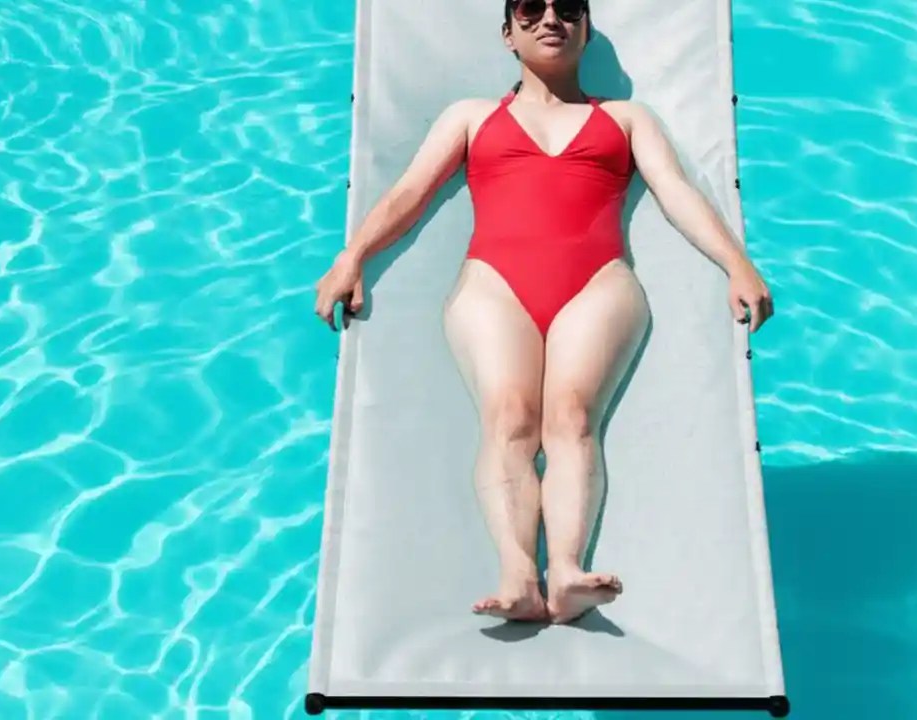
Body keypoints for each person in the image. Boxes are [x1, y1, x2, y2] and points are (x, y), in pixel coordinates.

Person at [313, 0, 774, 624]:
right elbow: (409, 193)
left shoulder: (626, 119)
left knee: (572, 416)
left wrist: (735, 263)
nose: (551, 19)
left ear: (584, 30)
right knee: (509, 418)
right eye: (531, 9)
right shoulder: (472, 117)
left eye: (569, 9)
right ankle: (516, 573)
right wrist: (352, 259)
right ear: (508, 34)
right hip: (494, 285)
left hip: (599, 283)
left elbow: (677, 194)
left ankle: (566, 571)